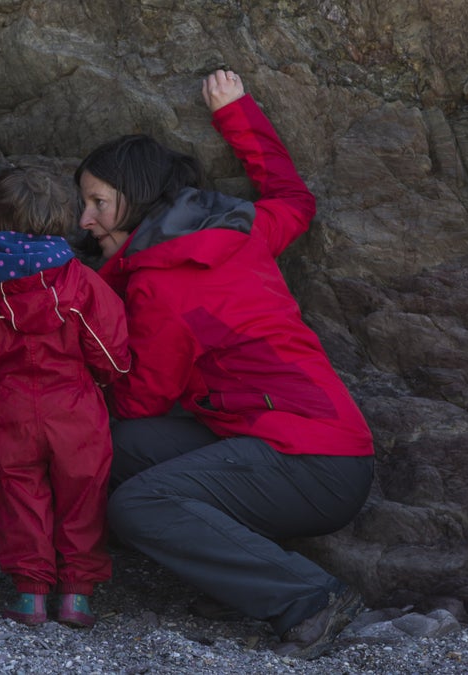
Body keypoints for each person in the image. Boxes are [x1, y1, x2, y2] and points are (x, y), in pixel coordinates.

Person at [75, 69, 375, 657]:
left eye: (97, 203)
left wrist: (89, 294)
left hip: (312, 461)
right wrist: (236, 112)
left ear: (134, 202)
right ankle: (242, 577)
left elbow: (143, 397)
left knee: (138, 503)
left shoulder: (160, 287)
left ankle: (309, 598)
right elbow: (292, 200)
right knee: (109, 442)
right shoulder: (235, 229)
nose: (84, 220)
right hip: (285, 440)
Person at [0, 167, 131, 628]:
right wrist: (101, 381)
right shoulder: (82, 283)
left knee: (18, 495)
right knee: (83, 497)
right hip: (75, 407)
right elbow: (112, 354)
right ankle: (77, 596)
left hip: (7, 407)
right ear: (66, 219)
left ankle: (30, 596)